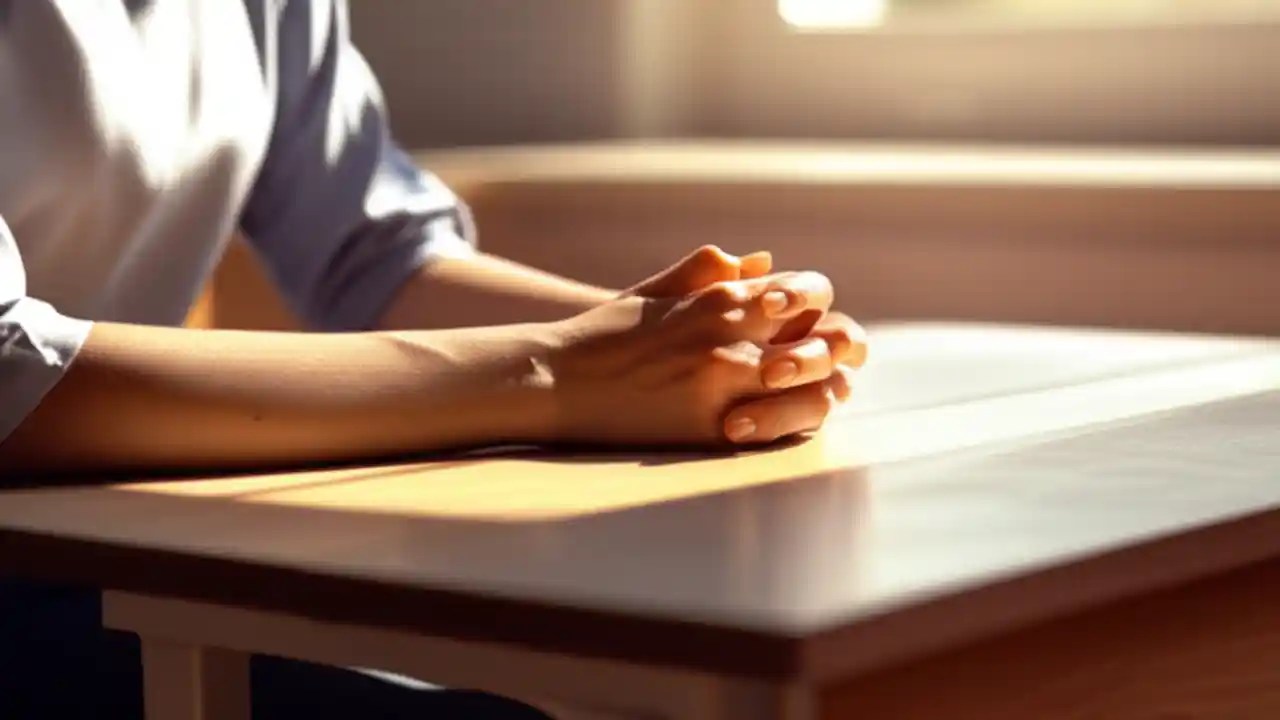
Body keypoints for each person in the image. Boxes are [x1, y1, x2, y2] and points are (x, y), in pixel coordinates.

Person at [0, 1, 866, 718]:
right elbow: (9, 370)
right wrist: (563, 372)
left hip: (103, 561)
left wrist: (702, 343)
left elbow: (375, 255)